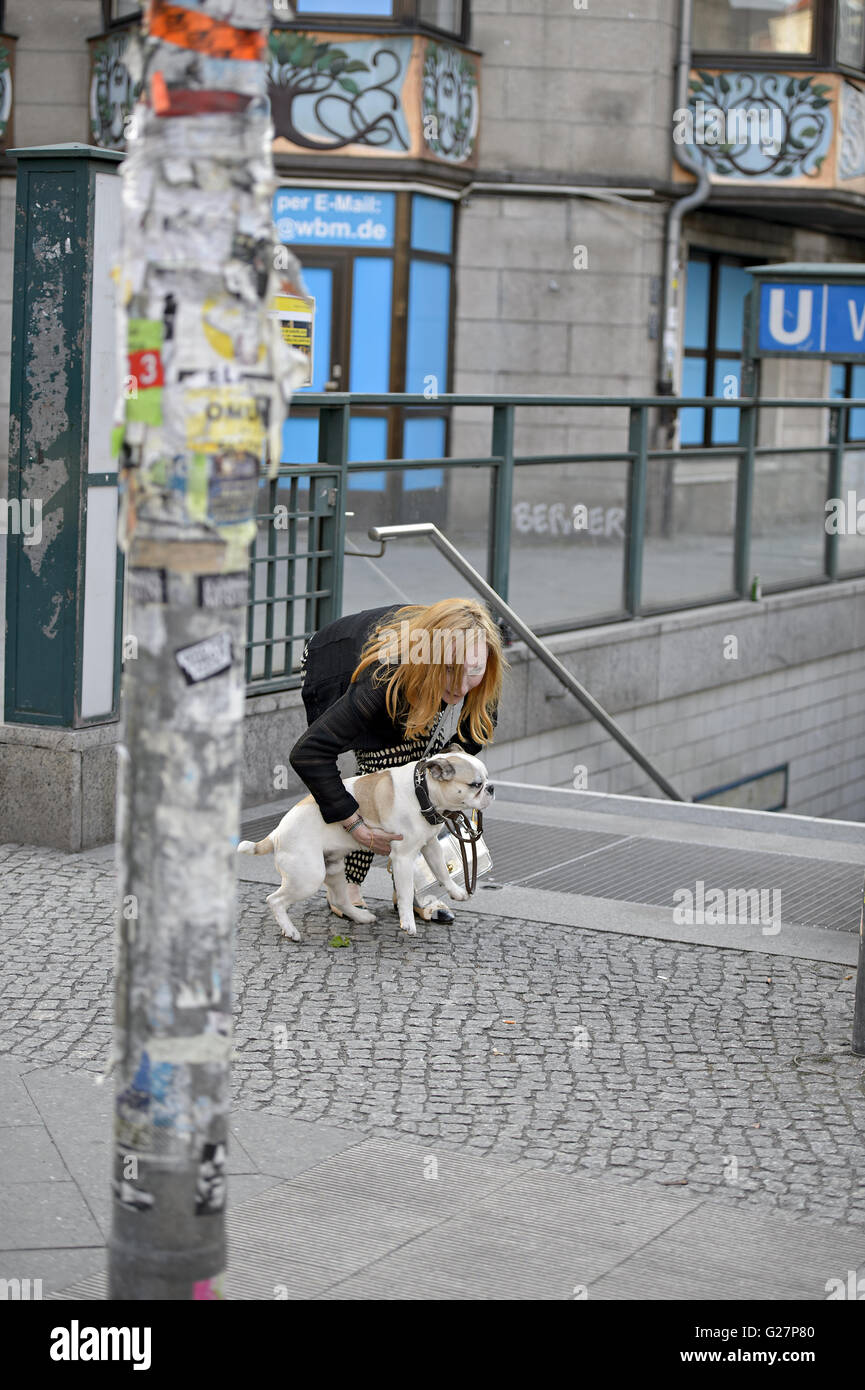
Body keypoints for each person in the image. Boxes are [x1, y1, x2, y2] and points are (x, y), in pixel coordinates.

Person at [290, 598, 504, 924]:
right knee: (387, 770)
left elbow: (478, 727)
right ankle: (346, 883)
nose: (461, 688)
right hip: (337, 659)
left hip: (418, 671)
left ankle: (413, 883)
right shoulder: (384, 674)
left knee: (423, 777)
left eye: (472, 672)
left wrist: (446, 768)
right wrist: (353, 823)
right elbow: (309, 753)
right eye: (450, 670)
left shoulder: (479, 659)